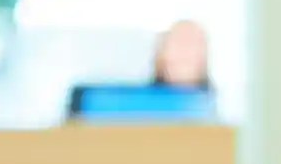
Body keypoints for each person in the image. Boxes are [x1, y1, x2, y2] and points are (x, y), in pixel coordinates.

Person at [68, 19, 213, 117]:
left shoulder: (216, 113)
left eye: (192, 44)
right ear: (160, 54)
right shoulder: (103, 102)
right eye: (179, 43)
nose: (185, 52)